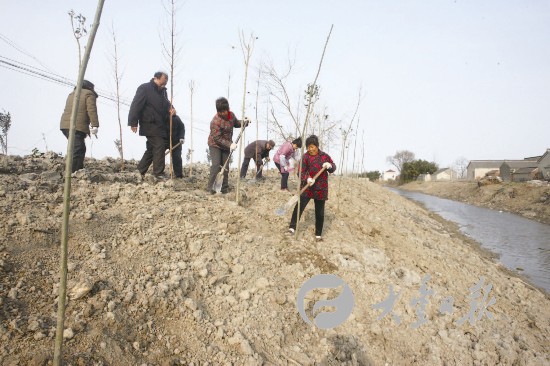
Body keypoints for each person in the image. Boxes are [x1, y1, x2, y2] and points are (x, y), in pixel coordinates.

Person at [288, 135, 336, 241]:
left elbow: (333, 168)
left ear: (317, 146)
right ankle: (292, 227)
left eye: (312, 146)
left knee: (320, 211)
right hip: (307, 187)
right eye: (308, 147)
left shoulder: (324, 156)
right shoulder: (305, 157)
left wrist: (330, 166)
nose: (310, 149)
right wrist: (307, 178)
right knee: (299, 207)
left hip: (321, 188)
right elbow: (300, 172)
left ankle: (318, 234)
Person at [128, 71, 173, 178]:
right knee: (159, 145)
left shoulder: (163, 92)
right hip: (149, 123)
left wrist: (172, 109)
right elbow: (136, 105)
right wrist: (133, 122)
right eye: (163, 81)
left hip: (160, 125)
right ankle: (158, 173)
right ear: (156, 78)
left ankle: (140, 171)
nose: (164, 84)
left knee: (152, 149)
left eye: (166, 82)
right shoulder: (145, 88)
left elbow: (167, 103)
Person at [207, 97, 249, 194]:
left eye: (225, 110)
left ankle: (224, 188)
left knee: (225, 168)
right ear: (218, 111)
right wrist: (230, 144)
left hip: (227, 146)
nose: (224, 113)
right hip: (215, 145)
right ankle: (210, 188)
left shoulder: (231, 115)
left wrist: (245, 122)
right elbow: (217, 138)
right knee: (216, 165)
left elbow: (237, 123)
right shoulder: (215, 121)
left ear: (228, 109)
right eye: (221, 112)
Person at [59, 79, 99, 173]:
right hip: (76, 126)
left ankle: (77, 170)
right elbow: (91, 110)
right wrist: (95, 125)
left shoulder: (72, 93)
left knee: (79, 148)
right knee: (77, 149)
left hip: (65, 125)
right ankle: (72, 172)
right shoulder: (89, 94)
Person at [166, 113, 185, 178]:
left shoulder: (176, 118)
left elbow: (182, 127)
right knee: (159, 155)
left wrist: (181, 137)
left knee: (177, 157)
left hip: (176, 141)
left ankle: (178, 175)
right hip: (164, 140)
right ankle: (159, 173)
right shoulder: (162, 118)